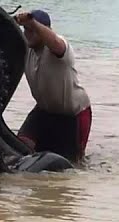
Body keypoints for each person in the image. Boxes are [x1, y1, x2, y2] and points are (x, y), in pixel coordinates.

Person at [13, 9, 92, 163]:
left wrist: (33, 23)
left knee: (70, 165)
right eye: (26, 30)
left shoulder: (58, 47)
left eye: (33, 30)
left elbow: (55, 42)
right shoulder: (26, 49)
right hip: (44, 110)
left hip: (72, 114)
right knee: (20, 147)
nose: (28, 34)